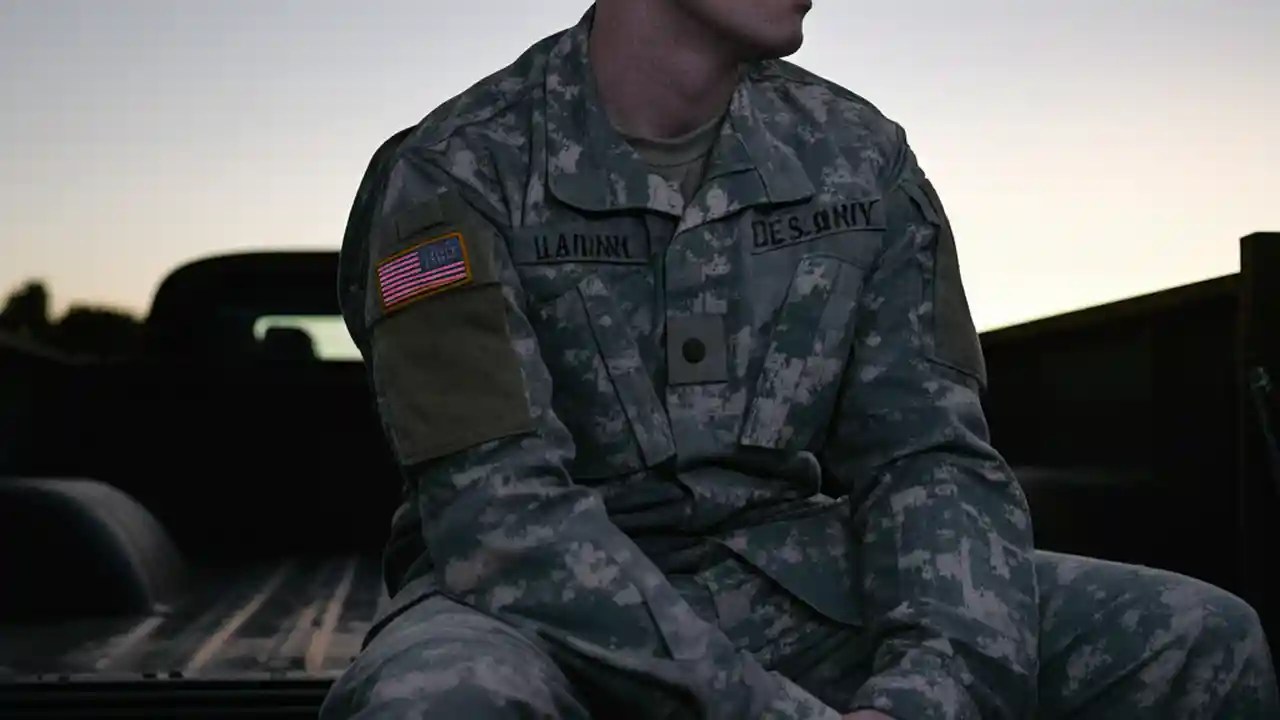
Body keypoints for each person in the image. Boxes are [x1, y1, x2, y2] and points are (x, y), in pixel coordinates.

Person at [323, 1, 1279, 717]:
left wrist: (934, 690)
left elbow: (928, 465)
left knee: (1198, 638)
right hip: (536, 613)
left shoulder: (860, 159)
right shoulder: (456, 169)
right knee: (439, 701)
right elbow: (501, 521)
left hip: (796, 576)